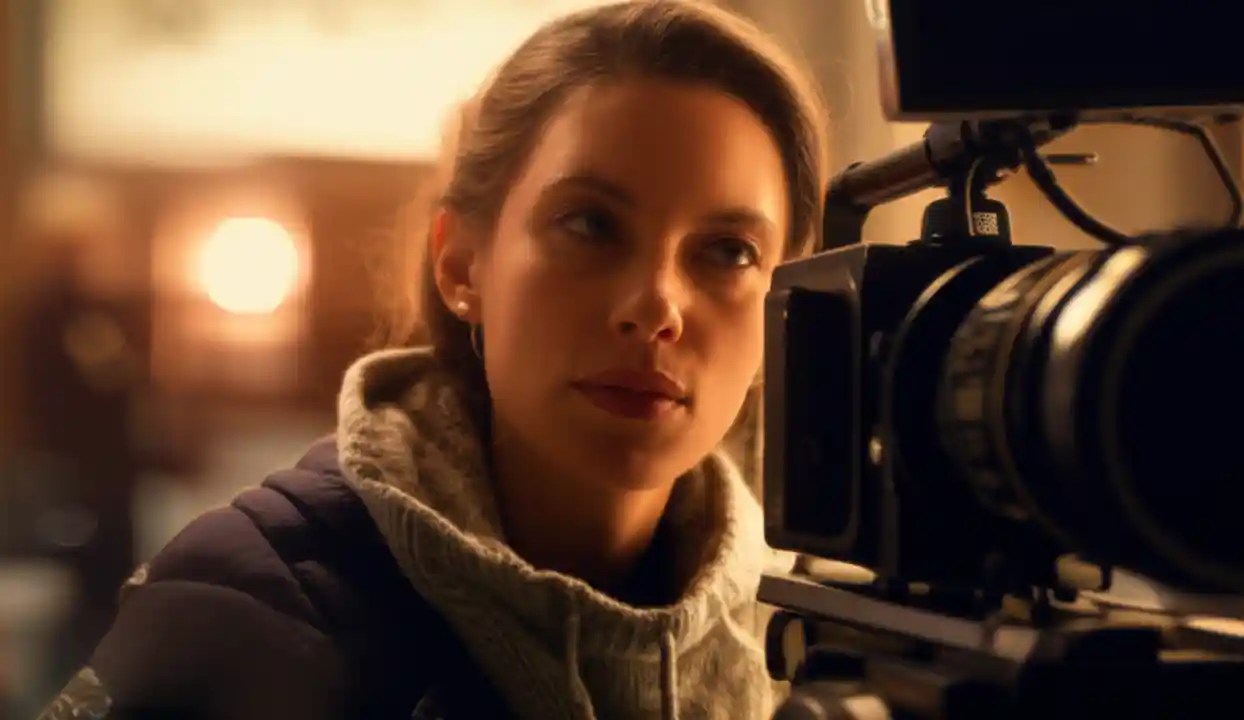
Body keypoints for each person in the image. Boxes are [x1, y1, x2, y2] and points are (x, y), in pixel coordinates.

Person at [40, 1, 827, 718]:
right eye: (590, 226)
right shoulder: (249, 611)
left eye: (727, 251)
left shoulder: (811, 640)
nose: (656, 307)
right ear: (462, 264)